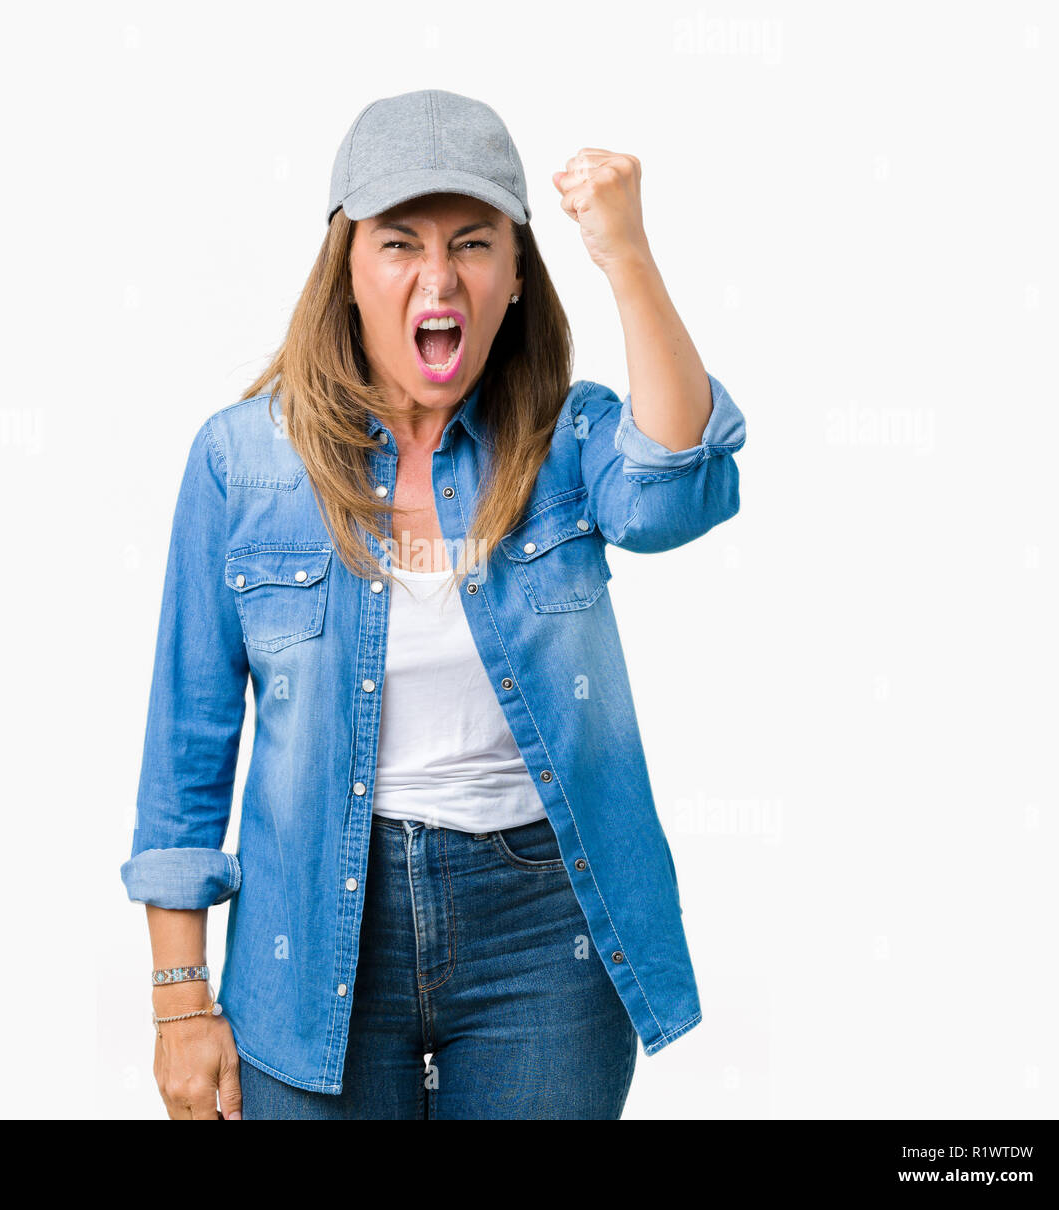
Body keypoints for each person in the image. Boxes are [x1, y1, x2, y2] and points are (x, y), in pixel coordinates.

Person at [122, 89, 746, 1120]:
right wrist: (179, 1002)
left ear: (511, 278)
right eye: (398, 243)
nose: (437, 275)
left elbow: (676, 486)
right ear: (348, 271)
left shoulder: (566, 440)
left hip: (543, 935)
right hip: (310, 926)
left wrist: (626, 256)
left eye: (472, 243)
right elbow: (186, 747)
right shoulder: (242, 461)